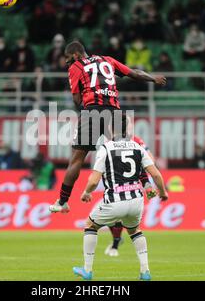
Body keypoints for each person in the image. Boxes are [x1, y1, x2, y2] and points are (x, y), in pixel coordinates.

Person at [49, 41, 166, 213]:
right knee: (127, 150)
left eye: (68, 59)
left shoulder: (76, 67)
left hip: (92, 112)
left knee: (76, 159)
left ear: (75, 55)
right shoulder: (108, 60)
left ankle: (63, 202)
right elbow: (133, 73)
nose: (67, 62)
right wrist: (152, 78)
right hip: (114, 112)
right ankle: (146, 184)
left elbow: (76, 100)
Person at [72, 115, 168, 281]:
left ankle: (87, 271)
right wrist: (163, 192)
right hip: (137, 201)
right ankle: (145, 272)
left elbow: (94, 180)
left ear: (111, 128)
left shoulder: (106, 148)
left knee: (90, 225)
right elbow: (156, 174)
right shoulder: (137, 147)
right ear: (127, 128)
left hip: (115, 199)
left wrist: (87, 192)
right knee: (134, 231)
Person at [105, 134, 157, 257]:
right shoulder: (110, 141)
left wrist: (144, 176)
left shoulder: (136, 140)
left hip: (131, 184)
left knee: (120, 216)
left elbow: (151, 160)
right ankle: (117, 241)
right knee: (111, 215)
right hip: (116, 183)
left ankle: (115, 245)